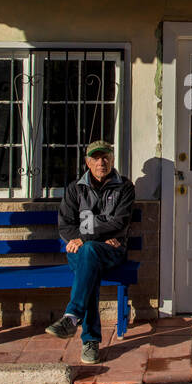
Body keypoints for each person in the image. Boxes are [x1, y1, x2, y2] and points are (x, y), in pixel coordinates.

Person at [47, 140, 135, 363]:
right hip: (85, 250)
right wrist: (87, 240)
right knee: (89, 260)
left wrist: (85, 238)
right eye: (95, 158)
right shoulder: (75, 189)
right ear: (87, 162)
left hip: (112, 251)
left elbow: (119, 223)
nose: (101, 162)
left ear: (112, 159)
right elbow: (65, 226)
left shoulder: (124, 187)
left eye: (105, 157)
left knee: (89, 260)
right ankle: (89, 339)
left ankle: (75, 322)